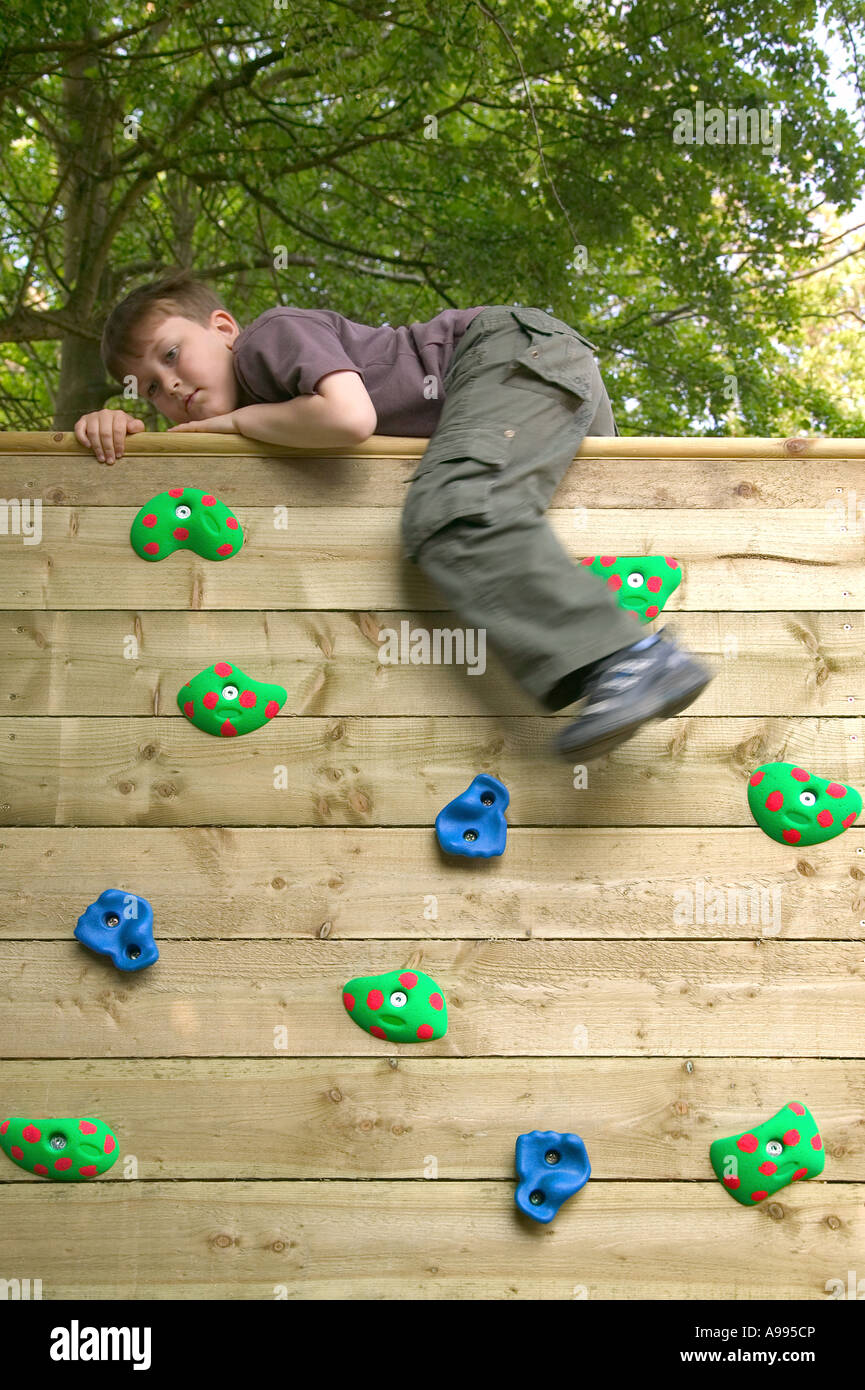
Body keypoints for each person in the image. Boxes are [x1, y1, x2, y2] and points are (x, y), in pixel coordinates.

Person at [76, 269, 712, 761]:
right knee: (586, 521)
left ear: (222, 327)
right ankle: (625, 652)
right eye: (149, 392)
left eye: (169, 355)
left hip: (508, 354)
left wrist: (237, 419)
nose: (170, 389)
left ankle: (634, 658)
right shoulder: (256, 419)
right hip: (534, 381)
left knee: (451, 509)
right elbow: (178, 477)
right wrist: (113, 426)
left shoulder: (267, 340)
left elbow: (350, 417)